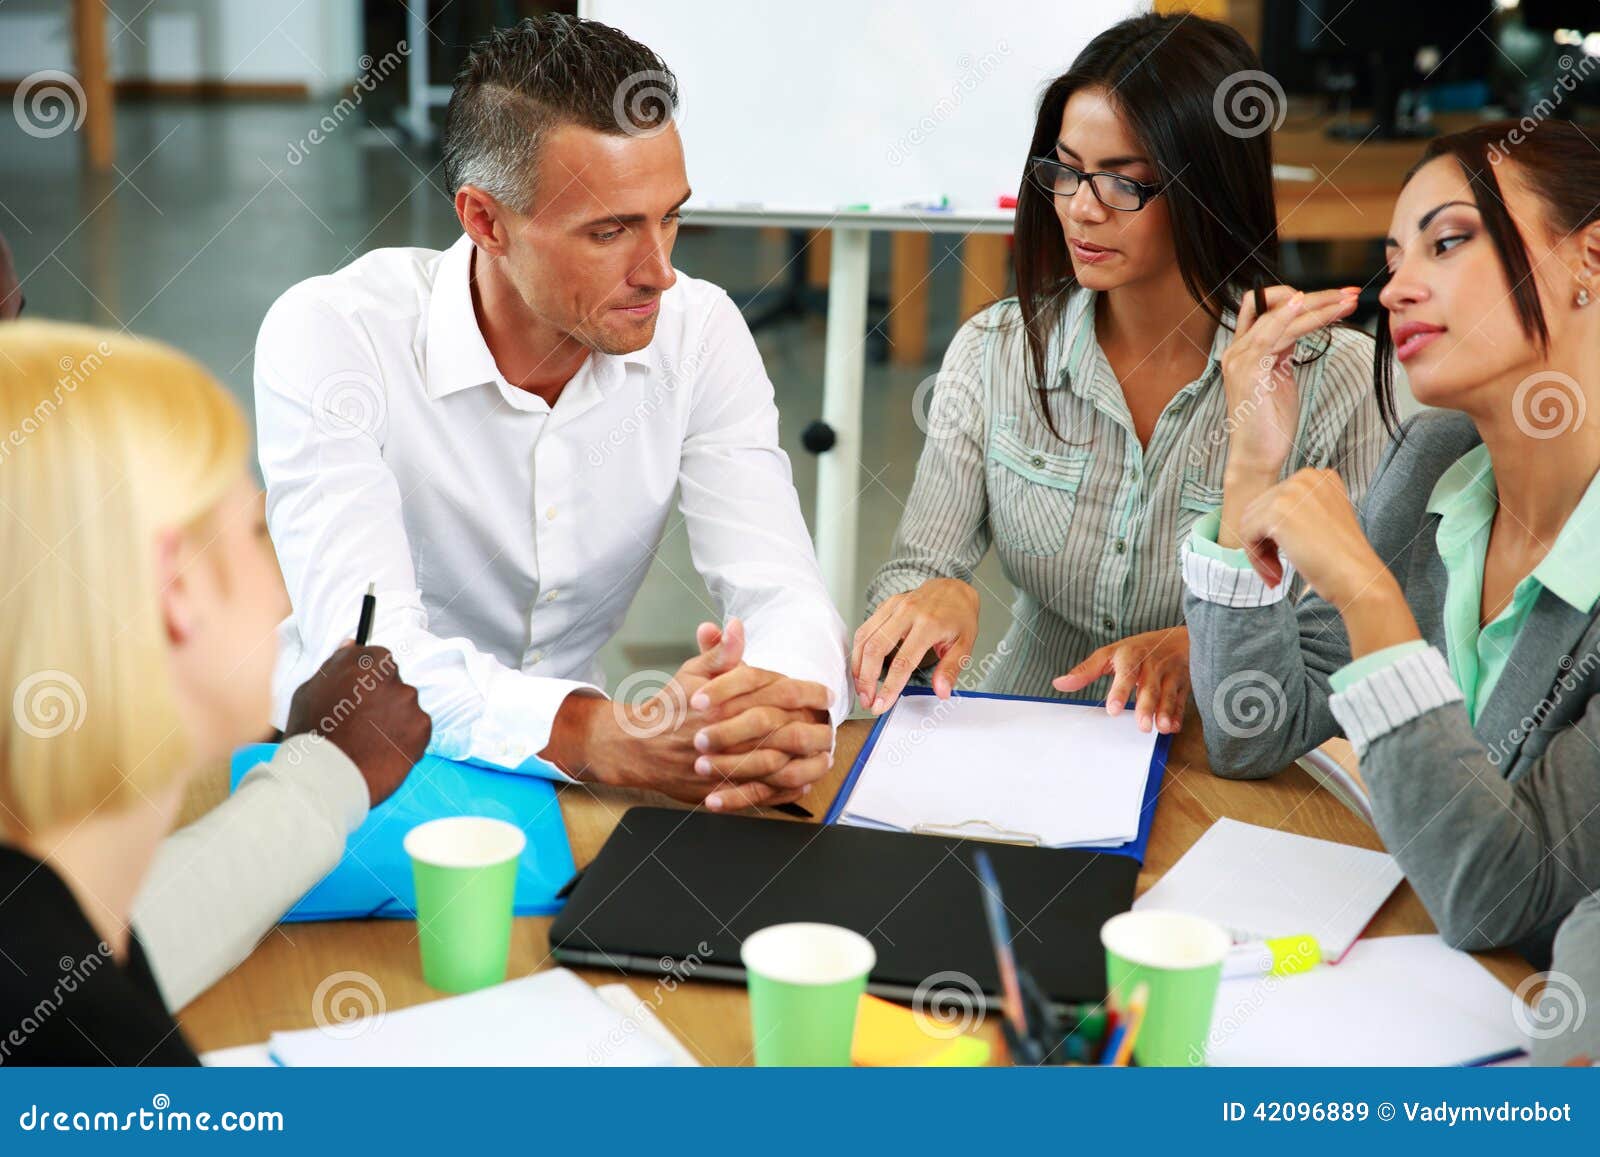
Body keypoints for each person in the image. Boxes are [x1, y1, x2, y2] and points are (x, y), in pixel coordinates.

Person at [255, 15, 847, 814]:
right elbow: (372, 666)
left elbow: (781, 592)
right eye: (611, 232)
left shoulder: (700, 333)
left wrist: (779, 710)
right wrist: (600, 735)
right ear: (485, 221)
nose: (661, 272)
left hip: (580, 782)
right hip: (363, 774)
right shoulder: (334, 335)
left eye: (670, 216)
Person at [853, 13, 1383, 732]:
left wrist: (1206, 648)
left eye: (1121, 184)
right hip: (1028, 731)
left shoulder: (1334, 378)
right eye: (1065, 172)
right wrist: (934, 600)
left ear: (1209, 191)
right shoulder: (997, 350)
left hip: (1228, 750)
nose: (1080, 208)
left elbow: (1355, 640)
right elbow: (912, 572)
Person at [1185, 122, 1600, 967]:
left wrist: (1371, 600)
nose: (1397, 288)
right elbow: (1249, 727)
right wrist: (1253, 462)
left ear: (1589, 260)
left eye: (1447, 242)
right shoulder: (1437, 463)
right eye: (1395, 256)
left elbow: (1500, 896)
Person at [0, 321, 431, 1063]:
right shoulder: (90, 1046)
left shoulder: (48, 956)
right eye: (255, 536)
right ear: (178, 588)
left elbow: (114, 939)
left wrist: (320, 775)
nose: (277, 599)